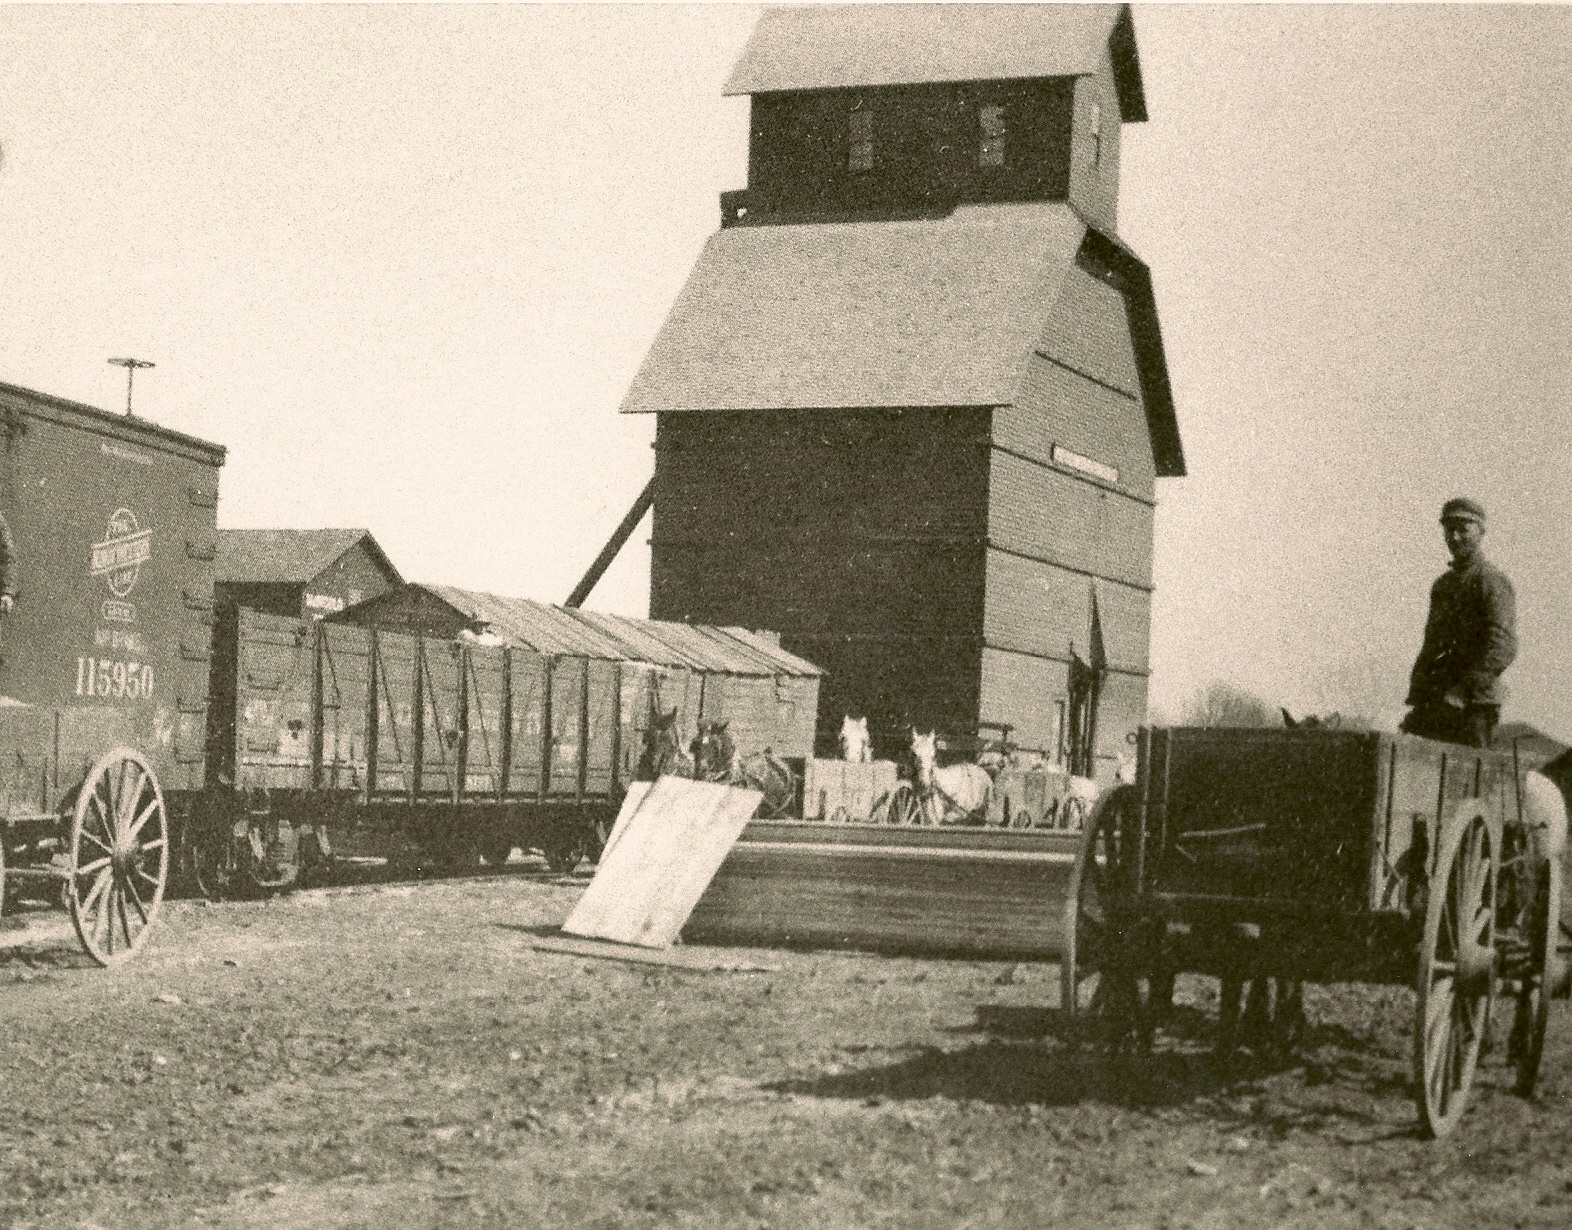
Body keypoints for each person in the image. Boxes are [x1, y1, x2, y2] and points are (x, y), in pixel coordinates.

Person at [1401, 497, 1516, 748]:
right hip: (1438, 698)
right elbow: (1431, 644)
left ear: (1481, 532)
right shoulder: (1443, 585)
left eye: (1463, 529)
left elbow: (1503, 647)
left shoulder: (1491, 581)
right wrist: (1419, 692)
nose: (1455, 537)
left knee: (1466, 777)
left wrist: (1462, 690)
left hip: (1474, 704)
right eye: (1449, 530)